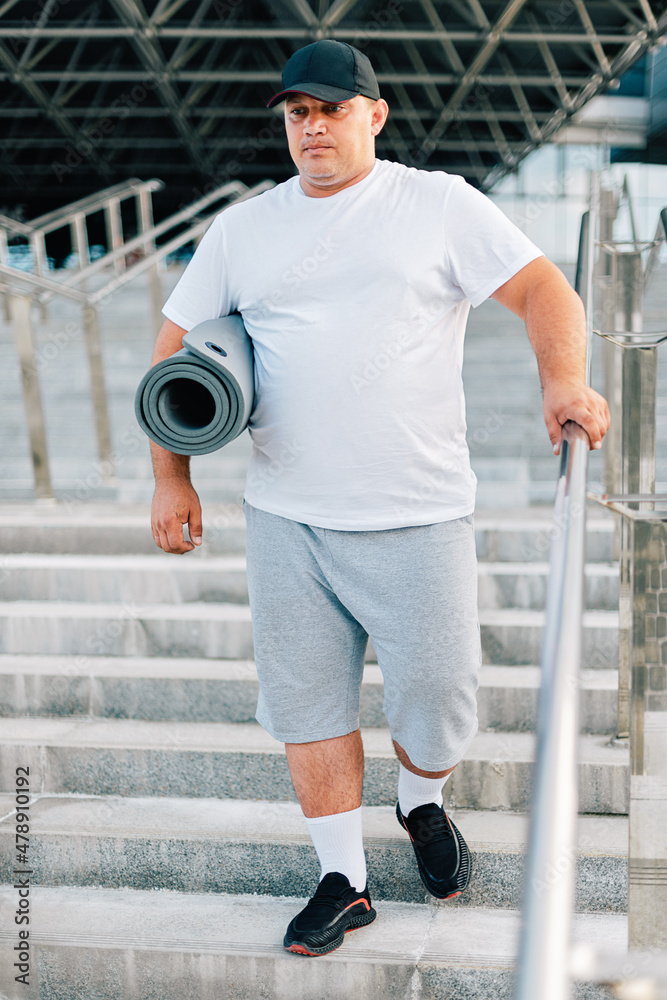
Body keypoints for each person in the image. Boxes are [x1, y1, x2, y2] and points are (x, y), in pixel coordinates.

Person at [148, 40, 610, 957]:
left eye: (329, 109)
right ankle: (344, 881)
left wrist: (563, 381)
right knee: (308, 707)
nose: (311, 126)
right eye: (296, 113)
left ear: (374, 114)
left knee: (438, 703)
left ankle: (420, 801)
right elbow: (170, 353)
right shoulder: (243, 229)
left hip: (419, 511)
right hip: (289, 516)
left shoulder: (434, 204)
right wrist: (172, 478)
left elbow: (542, 288)